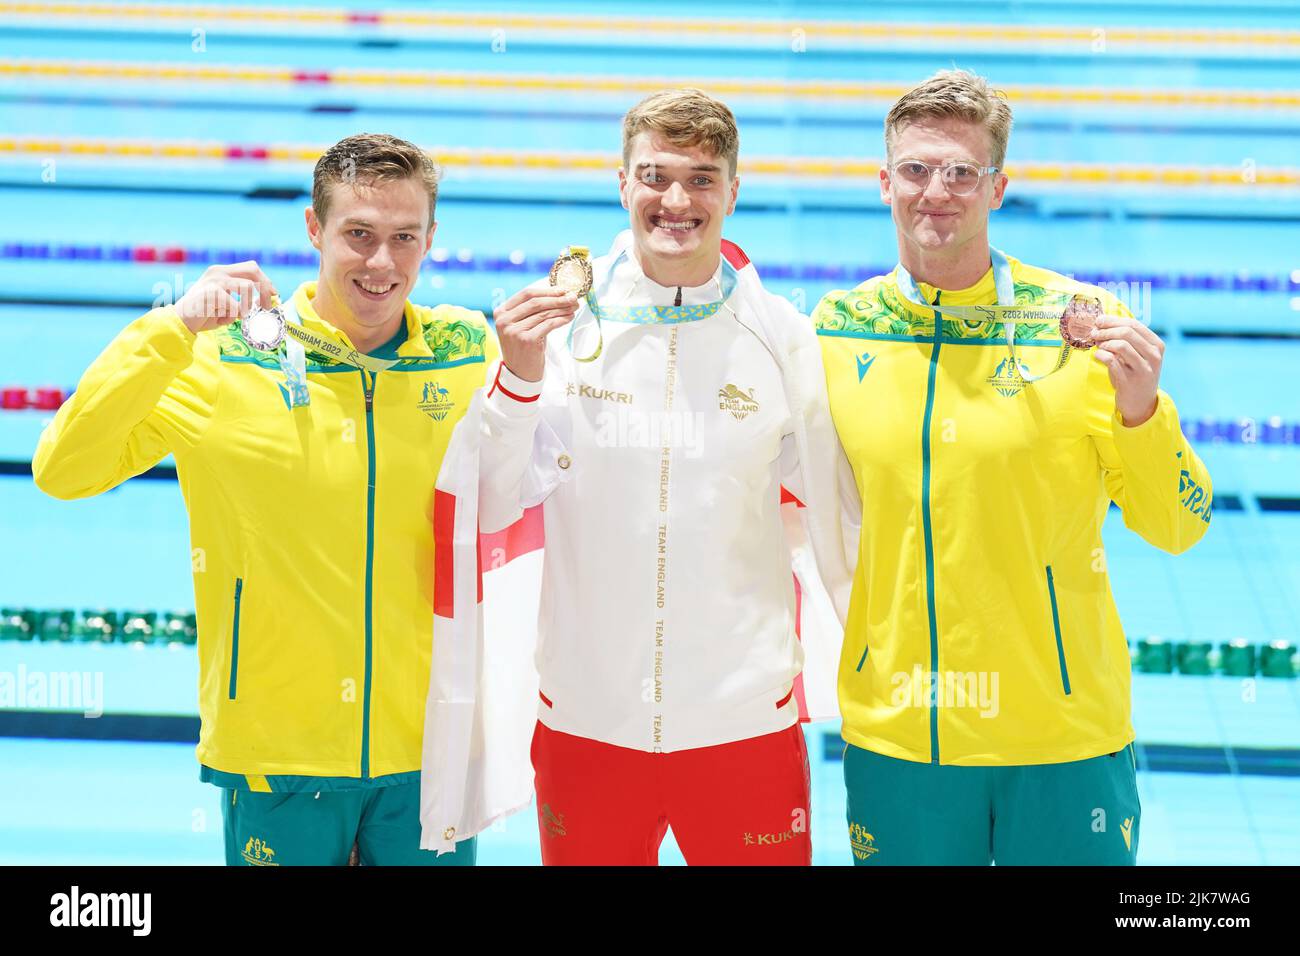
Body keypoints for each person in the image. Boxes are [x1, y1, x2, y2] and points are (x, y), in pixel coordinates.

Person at [33, 133, 497, 866]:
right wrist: (171, 328)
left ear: (431, 238)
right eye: (358, 235)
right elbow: (64, 469)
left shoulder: (467, 351)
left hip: (432, 750)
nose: (382, 262)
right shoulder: (221, 358)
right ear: (313, 230)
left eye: (404, 238)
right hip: (281, 752)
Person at [812, 70, 1212, 865]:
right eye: (919, 170)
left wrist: (1143, 413)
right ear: (884, 181)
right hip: (901, 732)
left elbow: (1180, 526)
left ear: (998, 188)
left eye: (962, 173)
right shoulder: (837, 331)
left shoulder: (1083, 330)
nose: (938, 192)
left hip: (1060, 735)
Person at [454, 88, 852, 865]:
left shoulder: (783, 340)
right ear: (623, 183)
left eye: (702, 178)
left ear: (734, 191)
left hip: (744, 727)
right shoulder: (559, 332)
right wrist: (518, 380)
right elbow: (496, 502)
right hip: (586, 725)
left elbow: (848, 516)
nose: (678, 200)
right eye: (656, 176)